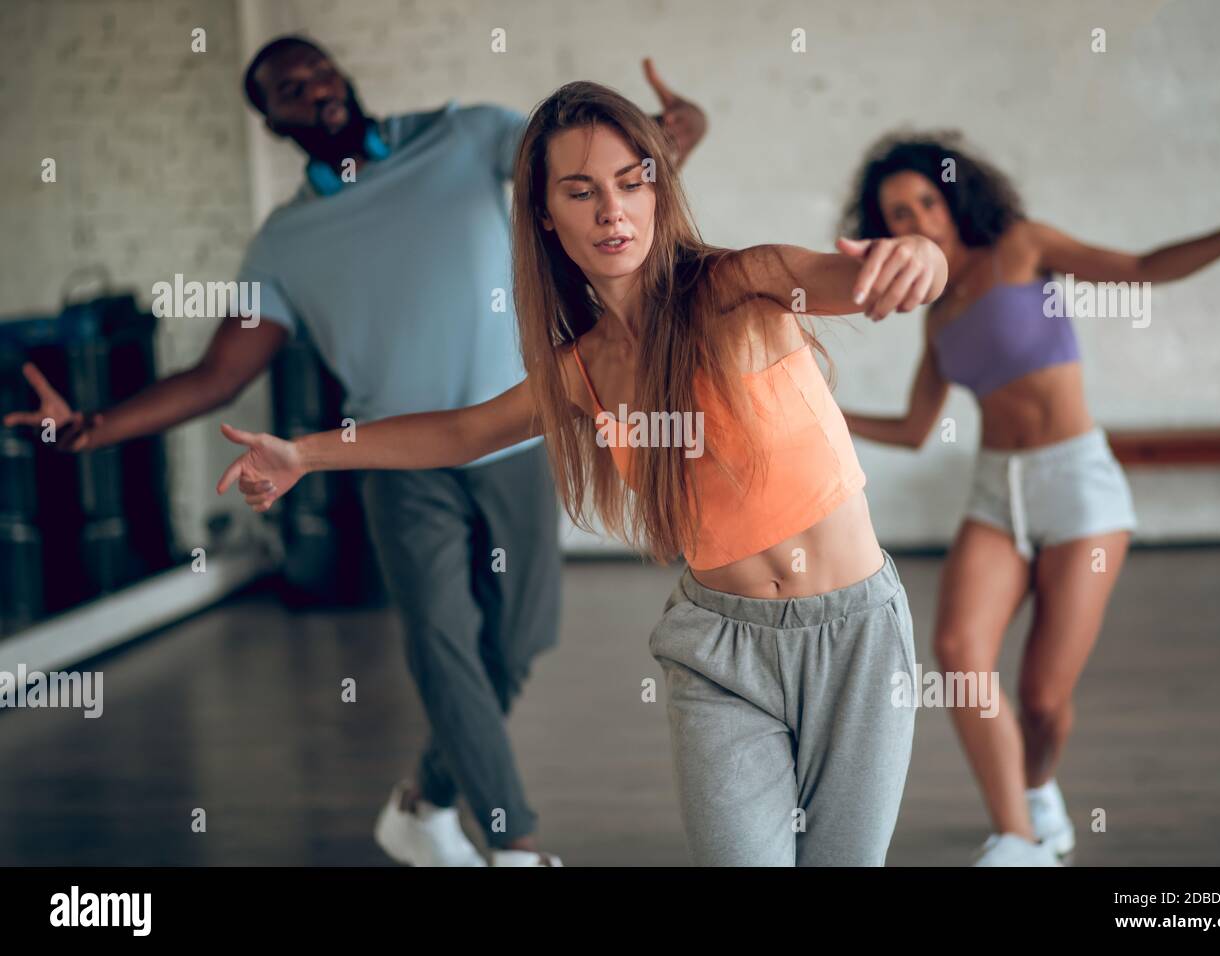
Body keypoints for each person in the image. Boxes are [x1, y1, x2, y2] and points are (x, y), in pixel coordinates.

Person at [4, 36, 707, 868]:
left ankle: (422, 802)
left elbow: (599, 181)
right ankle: (514, 842)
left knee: (519, 641)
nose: (309, 88)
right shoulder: (286, 241)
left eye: (314, 70)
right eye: (286, 89)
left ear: (340, 74)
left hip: (515, 436)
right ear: (272, 120)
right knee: (443, 644)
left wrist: (680, 128)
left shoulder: (470, 134)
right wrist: (94, 426)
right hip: (395, 462)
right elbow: (219, 374)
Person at [215, 80, 949, 866]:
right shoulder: (580, 371)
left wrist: (921, 257)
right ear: (544, 214)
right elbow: (463, 432)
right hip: (718, 653)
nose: (612, 209)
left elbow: (860, 281)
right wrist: (305, 453)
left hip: (854, 637)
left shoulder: (744, 284)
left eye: (633, 180)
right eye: (581, 189)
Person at [837, 131, 1220, 866]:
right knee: (957, 653)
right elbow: (918, 429)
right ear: (886, 232)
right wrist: (827, 412)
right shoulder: (937, 313)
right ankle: (1018, 838)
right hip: (994, 492)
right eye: (899, 213)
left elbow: (1139, 270)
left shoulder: (1022, 245)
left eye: (926, 199)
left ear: (953, 196)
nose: (919, 218)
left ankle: (1039, 792)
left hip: (1078, 485)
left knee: (1043, 699)